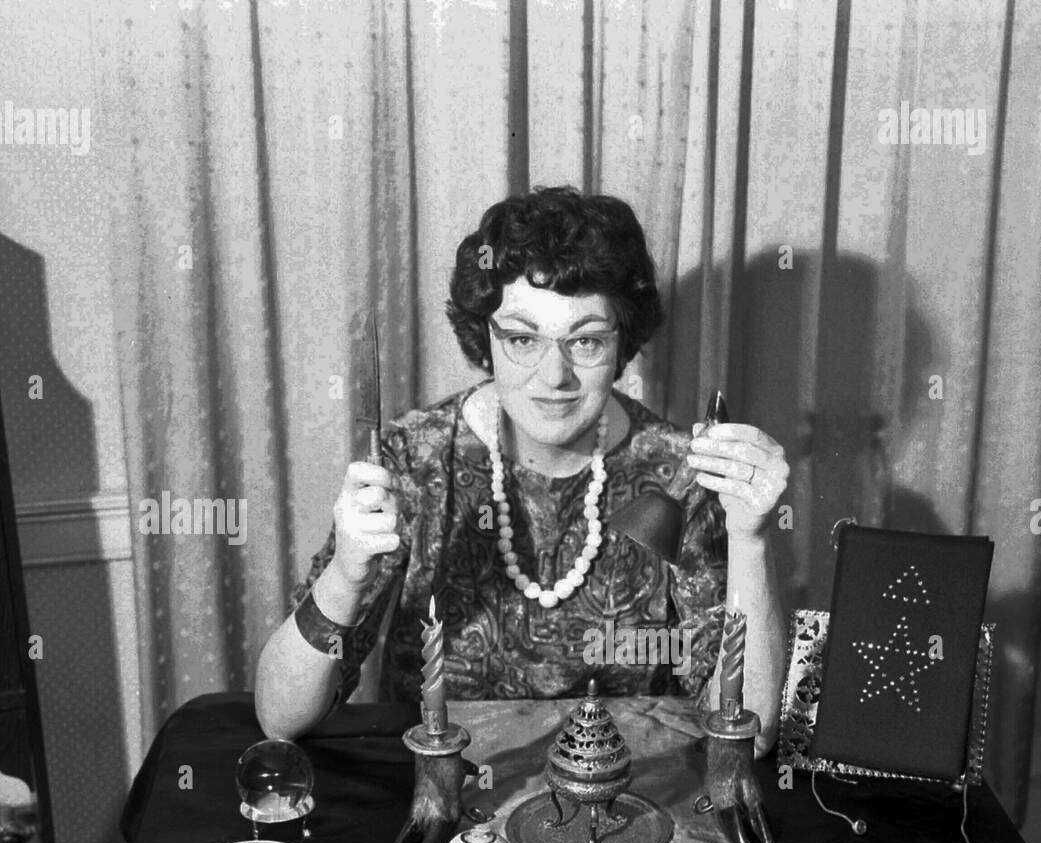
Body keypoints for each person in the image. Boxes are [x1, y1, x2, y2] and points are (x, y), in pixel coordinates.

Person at [255, 186, 789, 751]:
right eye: (521, 338)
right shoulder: (414, 457)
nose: (553, 375)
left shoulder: (680, 473)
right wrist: (346, 574)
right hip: (447, 791)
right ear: (485, 338)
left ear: (621, 343)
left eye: (586, 341)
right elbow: (280, 719)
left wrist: (751, 540)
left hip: (622, 793)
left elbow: (748, 735)